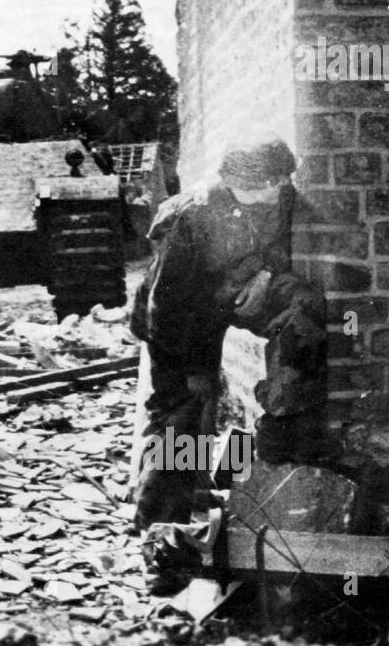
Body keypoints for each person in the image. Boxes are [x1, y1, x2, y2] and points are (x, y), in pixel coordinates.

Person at [128, 134, 335, 532]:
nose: (277, 193)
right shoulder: (194, 214)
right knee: (183, 413)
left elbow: (281, 243)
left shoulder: (280, 195)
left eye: (281, 183)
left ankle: (278, 432)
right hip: (175, 316)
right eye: (266, 187)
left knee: (302, 304)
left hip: (231, 291)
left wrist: (266, 273)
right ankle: (159, 527)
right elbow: (168, 307)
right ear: (236, 184)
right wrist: (195, 368)